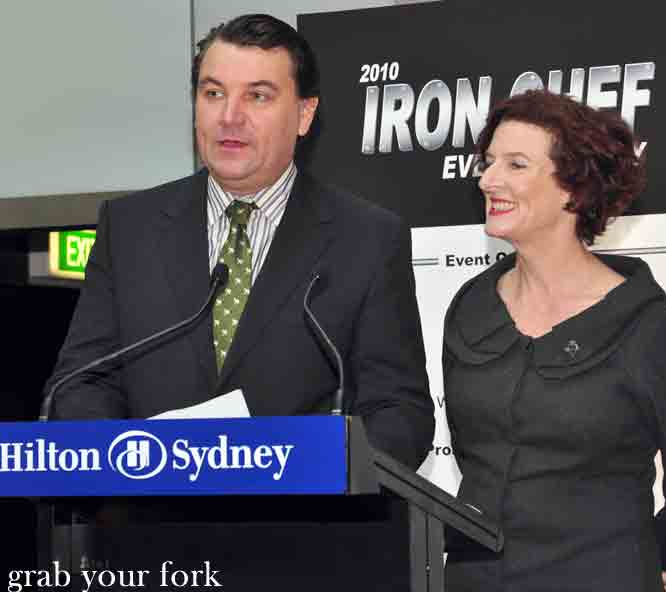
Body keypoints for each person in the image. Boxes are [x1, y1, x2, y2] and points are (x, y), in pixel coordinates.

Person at [45, 14, 433, 470]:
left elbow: (400, 414)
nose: (230, 117)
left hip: (305, 531)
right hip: (148, 527)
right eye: (213, 94)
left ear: (305, 114)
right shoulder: (130, 227)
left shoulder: (366, 238)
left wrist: (311, 467)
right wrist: (134, 463)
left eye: (258, 96)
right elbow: (79, 385)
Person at [442, 90, 666, 592]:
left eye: (516, 164)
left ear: (573, 188)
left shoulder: (653, 332)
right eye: (489, 162)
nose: (489, 180)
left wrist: (641, 565)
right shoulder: (471, 309)